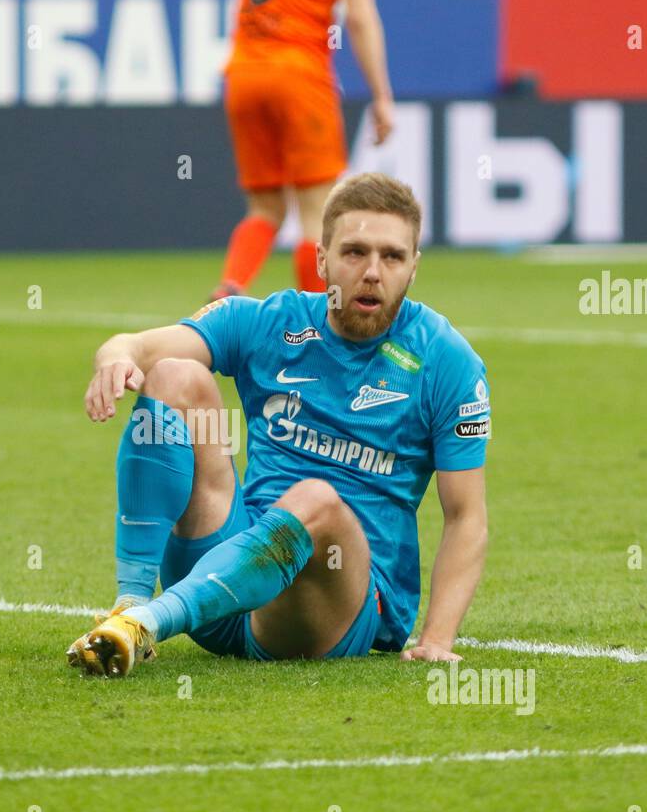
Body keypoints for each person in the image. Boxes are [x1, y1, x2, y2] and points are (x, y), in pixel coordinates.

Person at [70, 173, 489, 677]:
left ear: (414, 267)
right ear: (320, 258)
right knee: (174, 375)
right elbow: (136, 345)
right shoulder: (273, 321)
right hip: (224, 581)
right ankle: (128, 604)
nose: (373, 272)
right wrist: (115, 358)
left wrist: (437, 640)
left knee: (317, 500)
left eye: (392, 256)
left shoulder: (446, 360)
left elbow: (466, 515)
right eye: (354, 252)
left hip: (330, 609)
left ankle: (150, 621)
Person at [210, 0, 395, 301]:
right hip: (299, 75)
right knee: (318, 211)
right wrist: (382, 96)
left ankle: (231, 286)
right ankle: (315, 319)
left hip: (244, 75)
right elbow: (360, 17)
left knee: (265, 208)